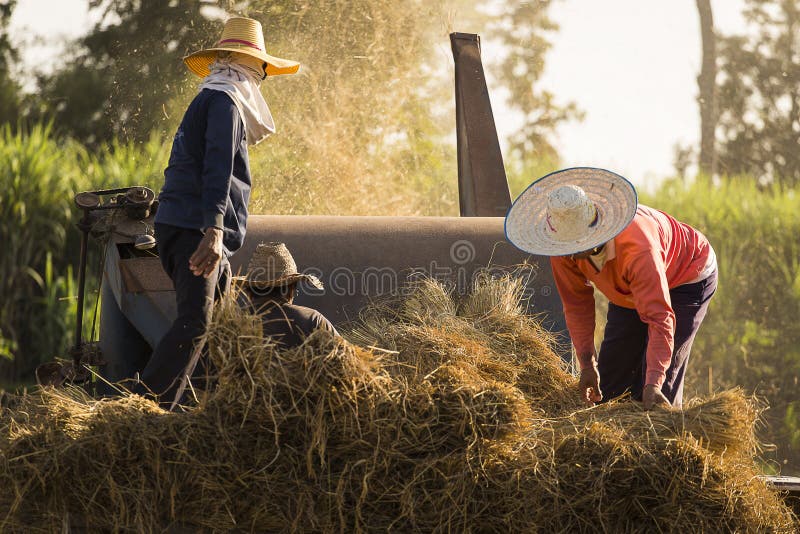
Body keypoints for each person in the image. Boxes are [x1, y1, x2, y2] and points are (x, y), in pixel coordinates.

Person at [136, 17, 299, 407]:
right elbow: (218, 167)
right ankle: (138, 405)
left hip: (182, 224)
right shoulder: (226, 101)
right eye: (263, 70)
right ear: (249, 65)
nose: (263, 77)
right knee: (197, 323)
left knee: (221, 328)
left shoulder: (207, 97)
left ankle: (206, 410)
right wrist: (213, 230)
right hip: (197, 230)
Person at [505, 167, 717, 410]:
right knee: (611, 386)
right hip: (626, 289)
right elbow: (577, 306)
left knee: (656, 393)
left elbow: (659, 318)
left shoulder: (638, 249)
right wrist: (587, 365)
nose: (569, 254)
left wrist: (654, 383)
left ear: (592, 236)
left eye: (576, 245)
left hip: (686, 276)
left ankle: (661, 433)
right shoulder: (562, 248)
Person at [235, 242, 338, 347]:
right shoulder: (312, 320)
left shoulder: (232, 324)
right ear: (291, 289)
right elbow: (346, 355)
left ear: (248, 291)